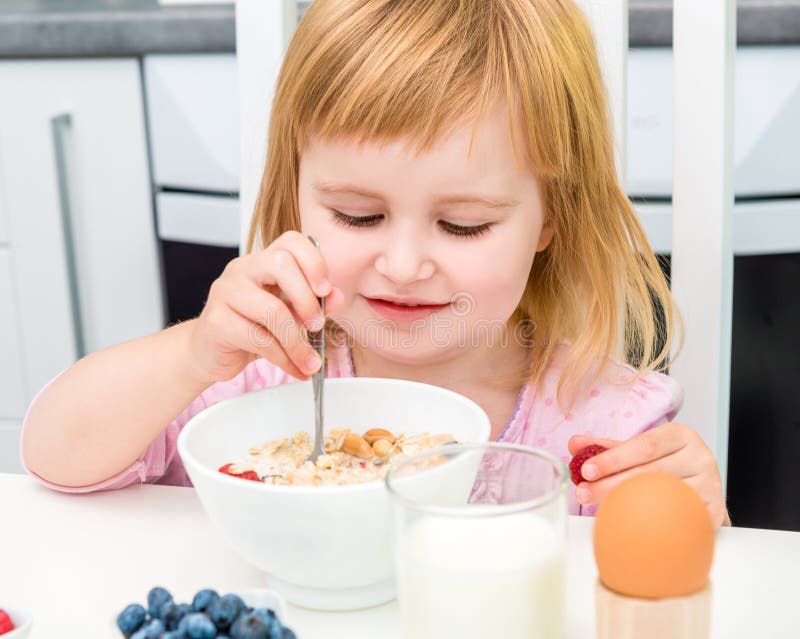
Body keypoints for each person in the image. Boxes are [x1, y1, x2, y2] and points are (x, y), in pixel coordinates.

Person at [20, 0, 729, 526]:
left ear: (552, 218)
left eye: (463, 224)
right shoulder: (259, 380)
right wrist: (194, 352)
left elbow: (683, 588)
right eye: (358, 215)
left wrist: (695, 516)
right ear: (297, 192)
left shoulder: (599, 421)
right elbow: (53, 453)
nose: (403, 262)